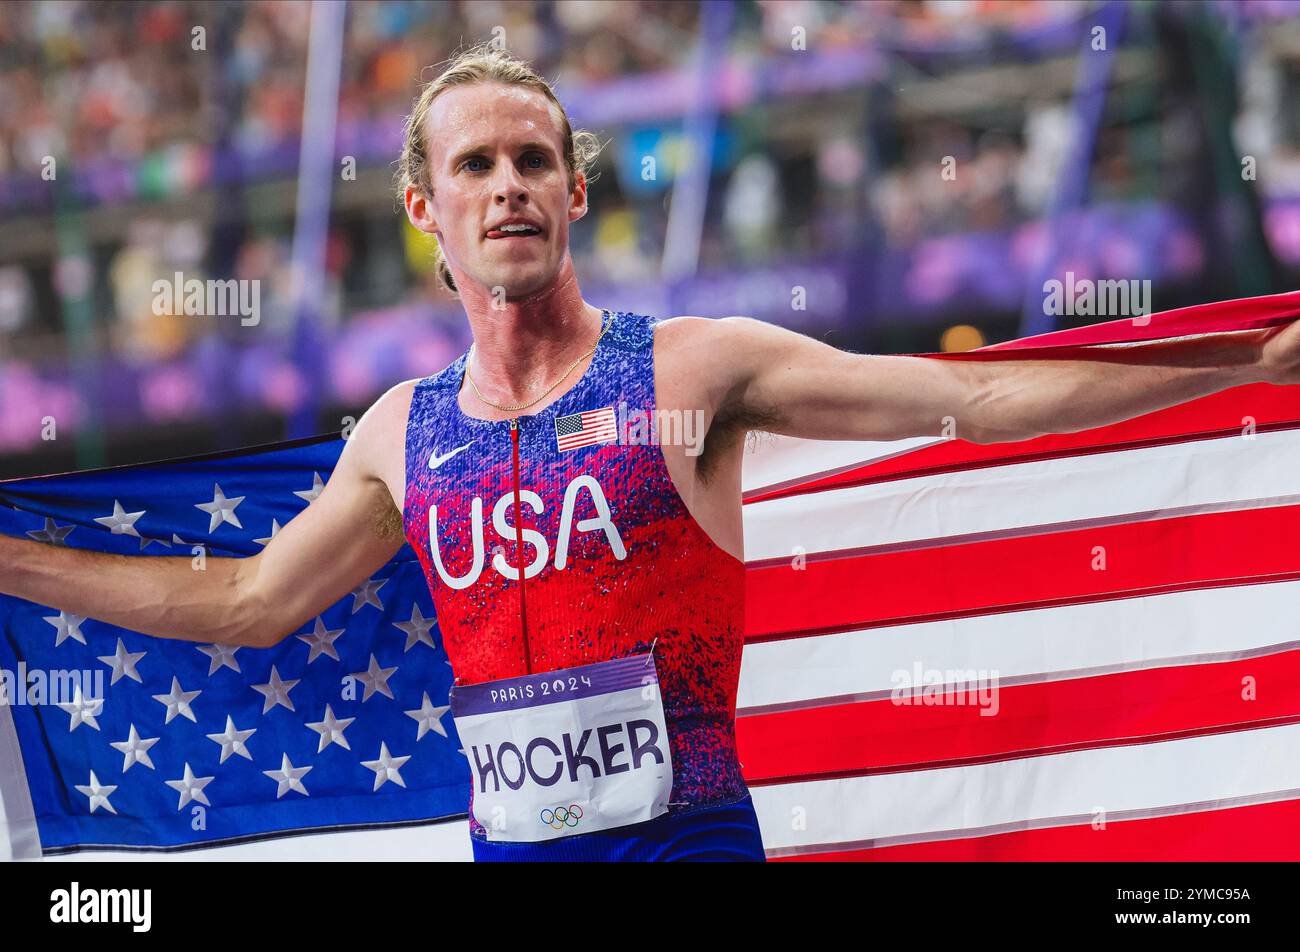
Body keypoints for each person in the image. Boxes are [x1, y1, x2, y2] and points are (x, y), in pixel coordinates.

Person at [2, 43, 1297, 862]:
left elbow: (967, 404)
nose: (509, 183)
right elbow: (246, 602)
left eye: (533, 161)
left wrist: (1239, 368)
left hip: (687, 843)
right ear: (425, 210)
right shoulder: (401, 432)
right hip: (510, 849)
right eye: (477, 166)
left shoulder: (693, 367)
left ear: (575, 193)